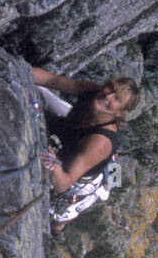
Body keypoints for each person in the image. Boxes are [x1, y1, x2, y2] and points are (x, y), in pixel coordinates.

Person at [31, 66, 140, 232]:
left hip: (85, 175)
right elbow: (51, 80)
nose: (108, 95)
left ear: (121, 113)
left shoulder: (99, 143)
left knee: (59, 216)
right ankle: (110, 180)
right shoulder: (92, 92)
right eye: (111, 88)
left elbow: (63, 184)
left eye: (116, 98)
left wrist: (54, 167)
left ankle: (62, 225)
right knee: (41, 92)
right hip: (76, 129)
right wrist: (21, 71)